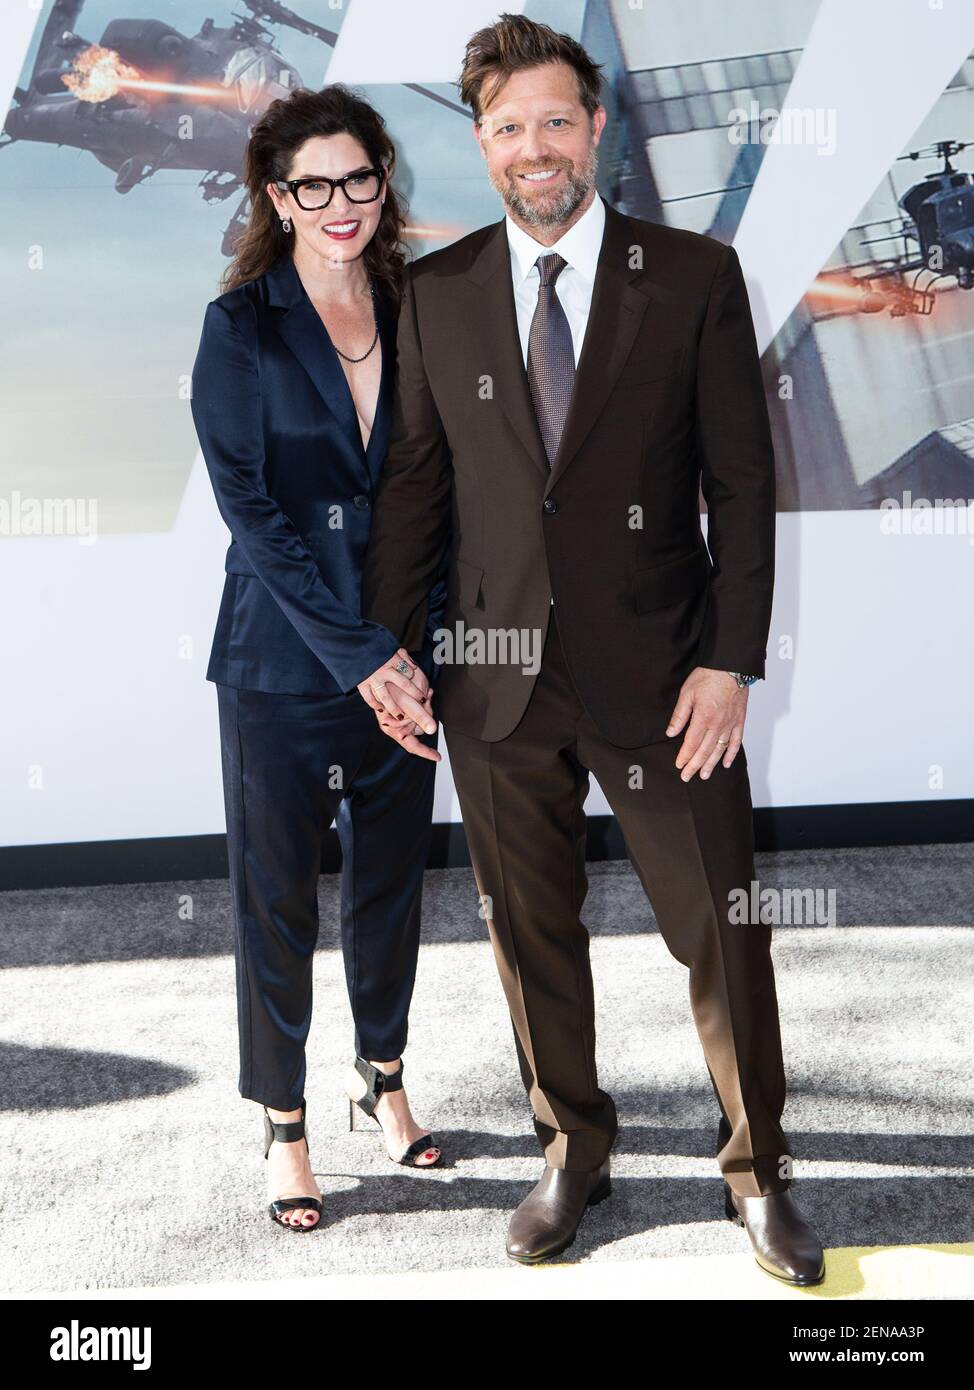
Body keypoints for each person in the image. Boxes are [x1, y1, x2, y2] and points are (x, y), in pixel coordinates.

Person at [359, 15, 825, 1284]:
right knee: (529, 931)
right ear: (480, 143)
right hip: (493, 679)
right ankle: (570, 1147)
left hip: (668, 674)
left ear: (596, 127)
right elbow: (412, 491)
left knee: (720, 929)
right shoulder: (438, 293)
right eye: (508, 126)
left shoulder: (687, 276)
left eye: (555, 119)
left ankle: (757, 1168)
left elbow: (739, 482)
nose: (534, 146)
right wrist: (389, 658)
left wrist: (728, 660)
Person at [190, 84, 447, 1233]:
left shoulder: (424, 304)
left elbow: (448, 488)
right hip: (284, 667)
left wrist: (414, 647)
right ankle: (284, 1120)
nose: (338, 204)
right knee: (276, 898)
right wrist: (360, 658)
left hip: (409, 658)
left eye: (358, 178)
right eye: (311, 184)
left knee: (392, 885)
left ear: (381, 180)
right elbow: (250, 508)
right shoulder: (240, 325)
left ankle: (381, 1076)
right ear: (274, 195)